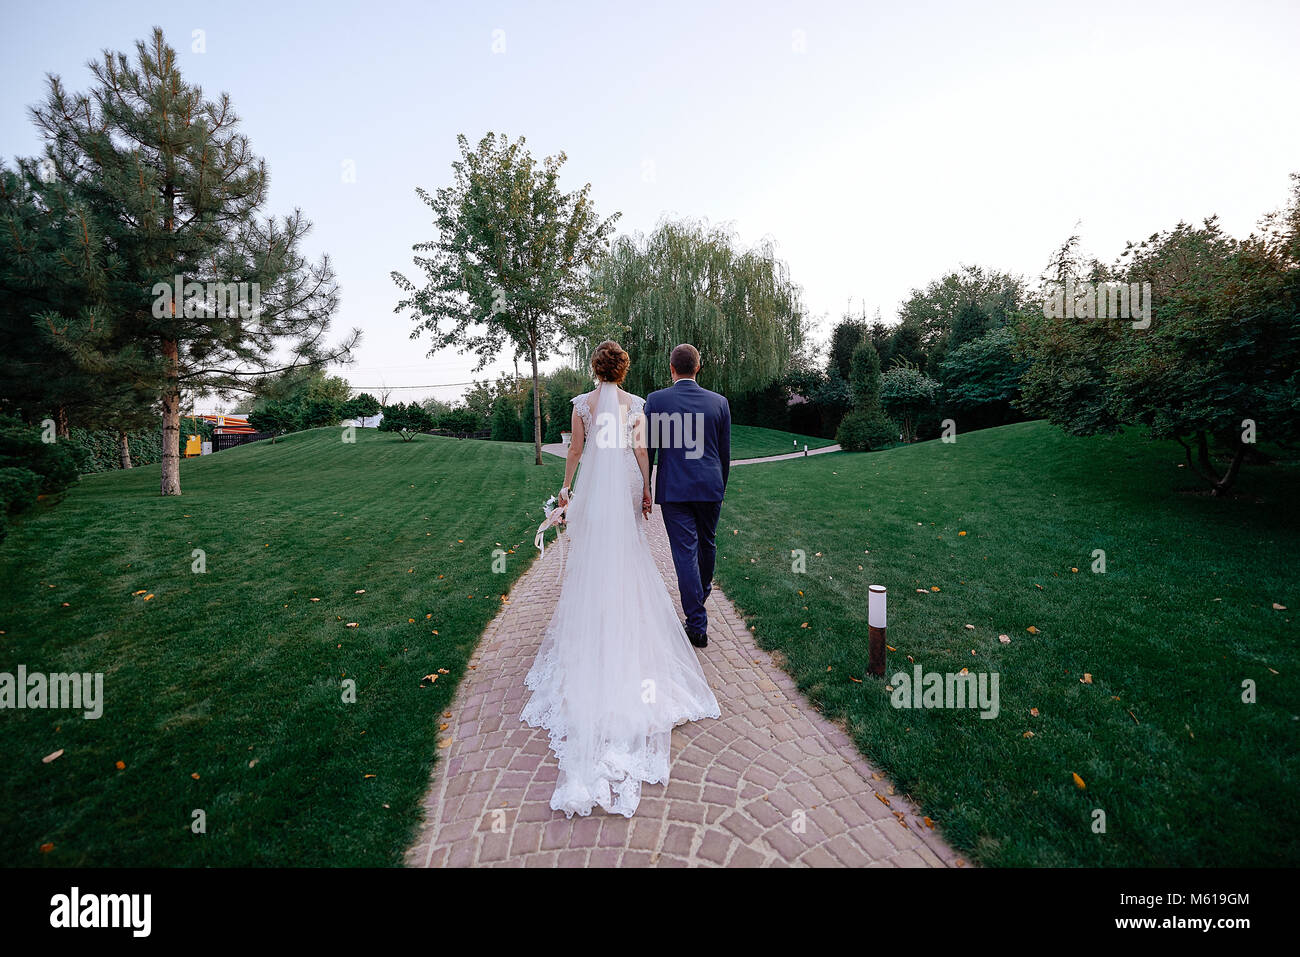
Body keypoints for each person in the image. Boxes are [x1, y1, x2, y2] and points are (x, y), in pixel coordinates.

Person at [520, 340, 720, 818]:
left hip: (594, 489)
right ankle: (629, 627)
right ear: (624, 368)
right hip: (626, 486)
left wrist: (567, 487)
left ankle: (594, 625)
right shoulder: (638, 405)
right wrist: (648, 488)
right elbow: (640, 450)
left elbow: (576, 450)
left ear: (595, 368)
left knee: (594, 557)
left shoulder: (582, 406)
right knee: (629, 555)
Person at [643, 343, 731, 647]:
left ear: (671, 368)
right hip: (710, 487)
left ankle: (697, 622)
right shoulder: (719, 402)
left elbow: (648, 450)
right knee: (707, 544)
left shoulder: (656, 401)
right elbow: (724, 454)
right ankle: (697, 606)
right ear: (698, 367)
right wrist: (721, 487)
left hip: (675, 490)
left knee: (685, 553)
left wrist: (646, 485)